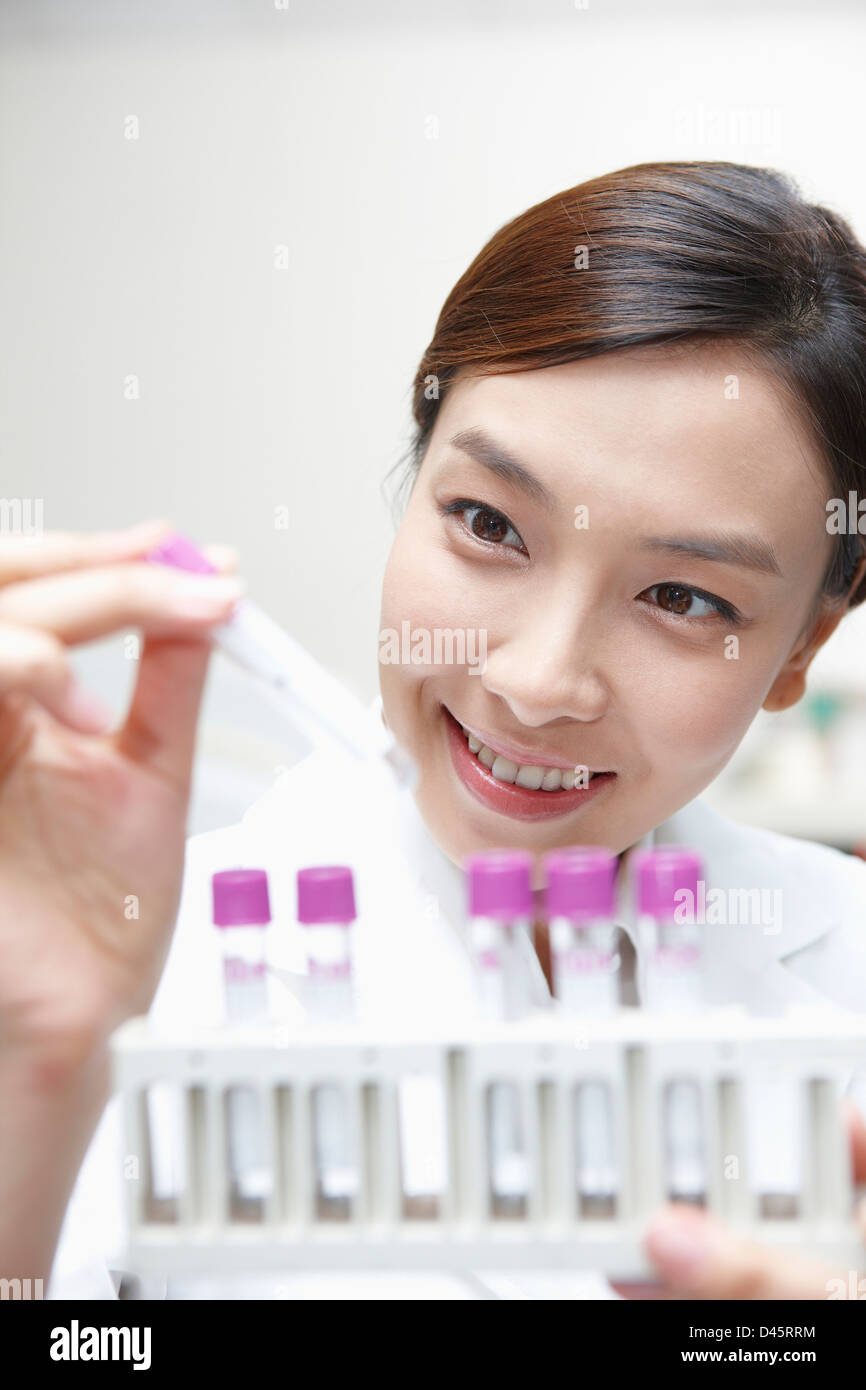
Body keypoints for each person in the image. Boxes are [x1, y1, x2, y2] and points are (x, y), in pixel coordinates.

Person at [4, 159, 866, 1299]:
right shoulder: (123, 973)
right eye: (485, 522)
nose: (536, 680)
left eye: (683, 596)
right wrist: (41, 1069)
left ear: (797, 651)